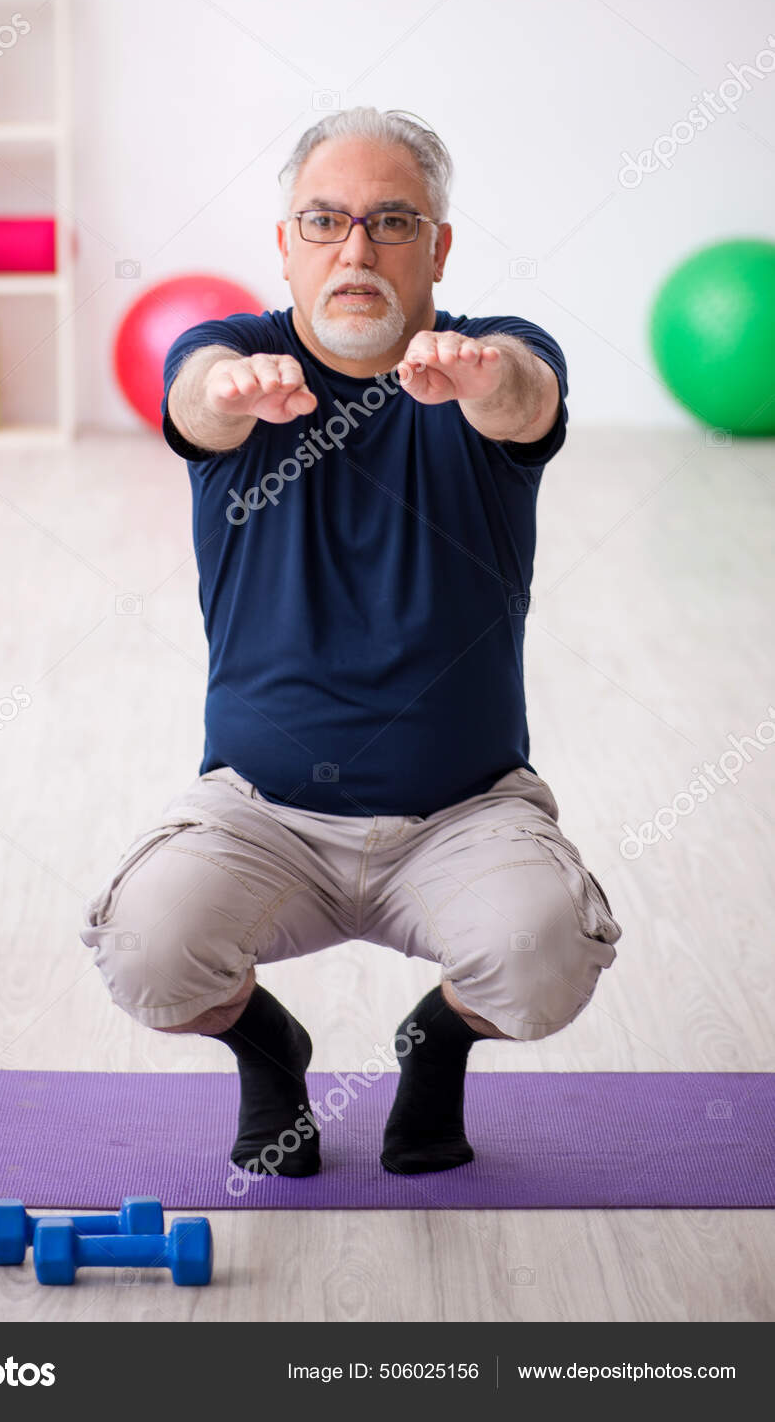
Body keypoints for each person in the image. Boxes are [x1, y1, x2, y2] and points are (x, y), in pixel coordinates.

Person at [81, 107, 622, 1179]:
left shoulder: (489, 356)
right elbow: (195, 402)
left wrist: (488, 381)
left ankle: (439, 1041)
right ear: (286, 243)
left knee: (547, 958)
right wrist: (226, 396)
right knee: (147, 951)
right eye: (325, 220)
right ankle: (268, 1049)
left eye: (392, 221)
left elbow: (527, 396)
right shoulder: (232, 357)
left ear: (439, 246)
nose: (356, 248)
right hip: (262, 816)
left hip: (462, 814)